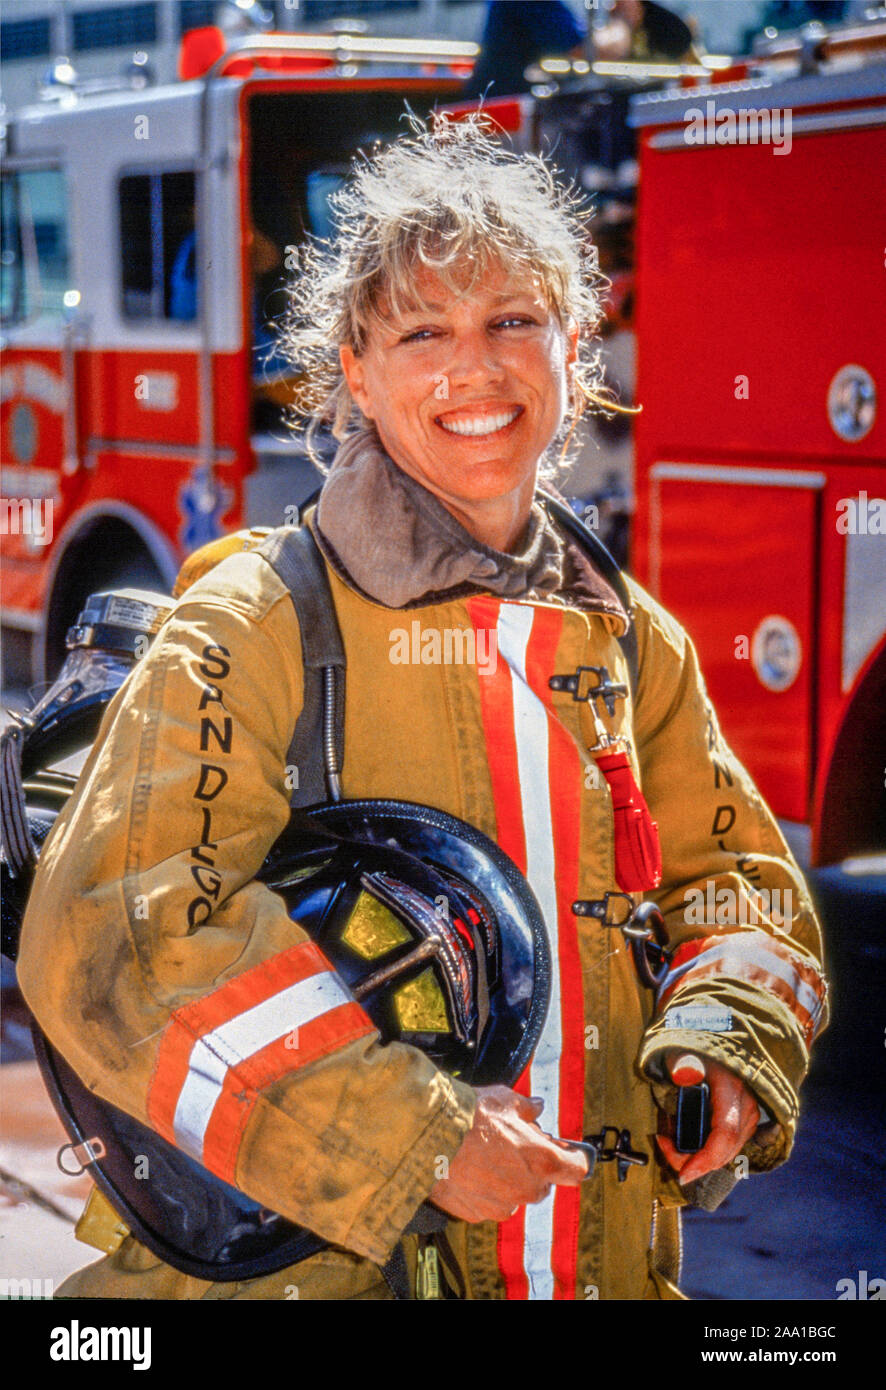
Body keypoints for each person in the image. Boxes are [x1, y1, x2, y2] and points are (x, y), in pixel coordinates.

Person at [18, 113, 827, 1301]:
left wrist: (727, 1039)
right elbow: (122, 944)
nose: (475, 367)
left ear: (571, 347)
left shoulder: (626, 637)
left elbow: (739, 884)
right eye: (420, 331)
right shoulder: (254, 622)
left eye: (513, 321)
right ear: (352, 368)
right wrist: (421, 1136)